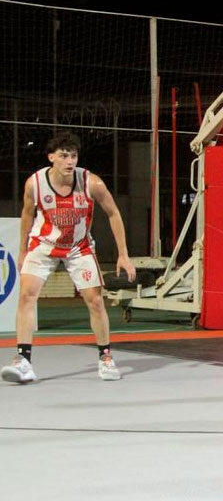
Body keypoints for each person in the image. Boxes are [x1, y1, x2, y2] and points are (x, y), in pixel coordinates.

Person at [2, 131, 136, 384]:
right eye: (63, 156)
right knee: (26, 295)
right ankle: (24, 362)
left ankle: (105, 358)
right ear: (51, 157)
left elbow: (114, 213)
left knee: (95, 300)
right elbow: (27, 215)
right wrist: (22, 251)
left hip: (79, 247)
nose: (69, 161)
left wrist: (123, 255)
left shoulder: (91, 182)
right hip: (43, 244)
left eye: (73, 156)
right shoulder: (35, 183)